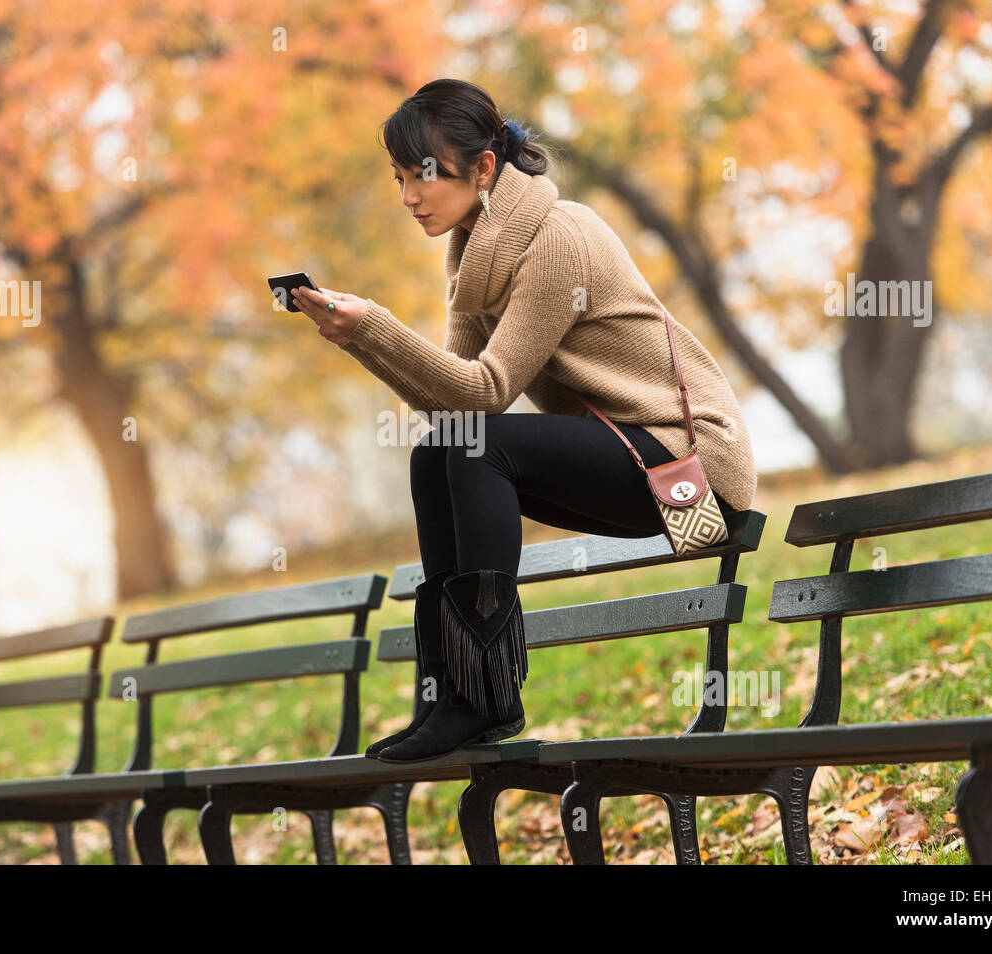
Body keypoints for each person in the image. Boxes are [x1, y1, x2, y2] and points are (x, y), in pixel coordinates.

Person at [289, 78, 757, 764]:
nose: (408, 196)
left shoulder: (560, 235)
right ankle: (453, 693)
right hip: (626, 458)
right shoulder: (475, 260)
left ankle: (486, 694)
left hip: (690, 469)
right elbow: (453, 411)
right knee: (438, 451)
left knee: (479, 451)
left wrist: (378, 326)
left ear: (483, 168)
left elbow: (487, 394)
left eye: (421, 175)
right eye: (397, 178)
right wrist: (357, 337)